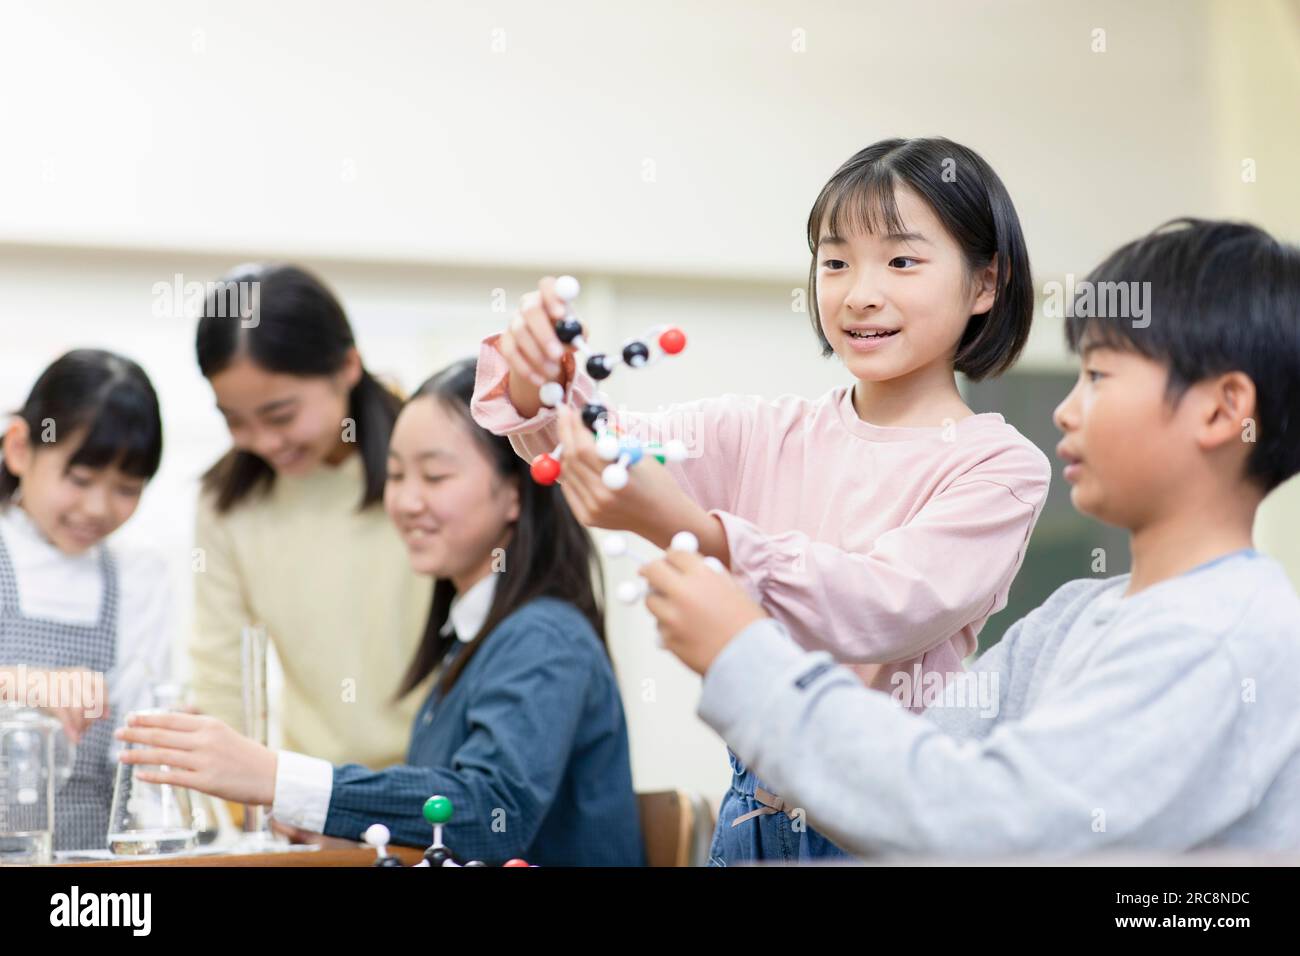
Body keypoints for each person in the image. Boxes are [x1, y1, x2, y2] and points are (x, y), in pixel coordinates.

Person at [641, 219, 1300, 857]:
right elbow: (916, 770)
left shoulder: (1216, 636)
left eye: (1098, 377)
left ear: (1222, 410)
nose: (1067, 410)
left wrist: (743, 654)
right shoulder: (1073, 615)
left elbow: (983, 826)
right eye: (837, 260)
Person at [472, 137, 1050, 862]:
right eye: (836, 262)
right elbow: (602, 443)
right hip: (751, 812)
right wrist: (540, 381)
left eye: (901, 260)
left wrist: (699, 532)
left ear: (985, 284)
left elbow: (878, 608)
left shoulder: (999, 467)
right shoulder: (761, 429)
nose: (859, 291)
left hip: (882, 820)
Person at [119, 358, 645, 866]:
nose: (407, 501)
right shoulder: (471, 642)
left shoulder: (544, 635)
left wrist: (277, 778)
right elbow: (446, 828)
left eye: (434, 476)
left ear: (514, 492)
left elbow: (490, 811)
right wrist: (337, 824)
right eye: (396, 476)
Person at [190, 264, 431, 769]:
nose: (263, 441)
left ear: (347, 365)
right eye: (235, 420)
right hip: (313, 801)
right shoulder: (229, 502)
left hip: (447, 791)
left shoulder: (431, 468)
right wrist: (244, 805)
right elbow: (219, 674)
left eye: (280, 415)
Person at [0, 349, 172, 851]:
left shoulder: (140, 577)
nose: (97, 507)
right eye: (79, 480)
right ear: (19, 449)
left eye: (126, 487)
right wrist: (23, 686)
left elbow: (143, 753)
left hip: (91, 868)